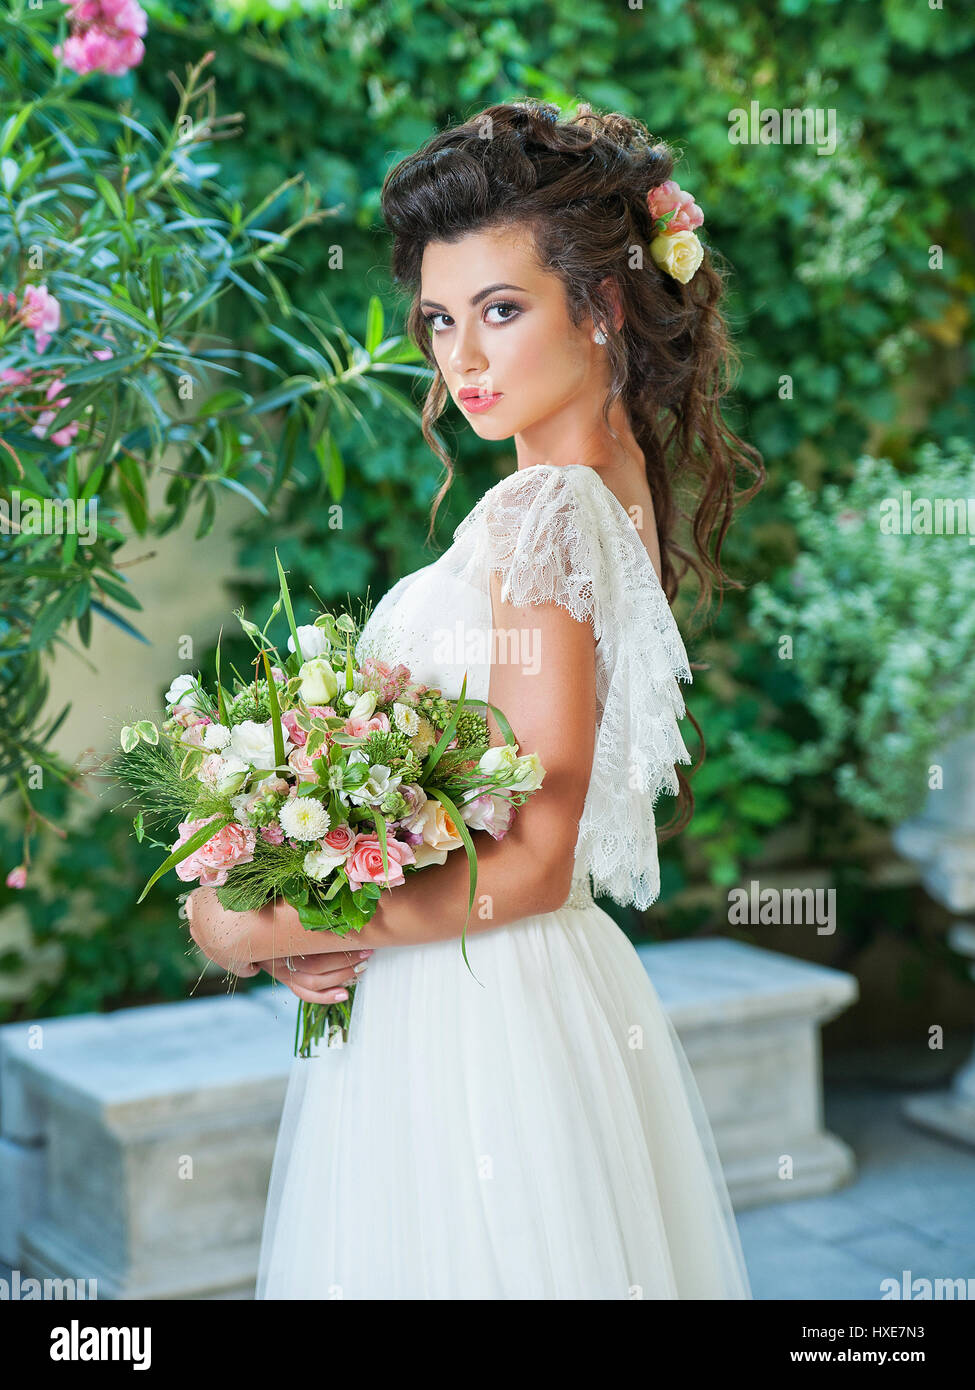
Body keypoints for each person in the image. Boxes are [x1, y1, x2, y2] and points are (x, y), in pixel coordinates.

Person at [187, 99, 764, 1299]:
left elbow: (537, 860)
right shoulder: (610, 483)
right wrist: (329, 887)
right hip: (510, 988)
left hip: (479, 1021)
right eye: (442, 321)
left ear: (602, 306)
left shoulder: (547, 510)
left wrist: (257, 925)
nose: (462, 357)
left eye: (502, 311)